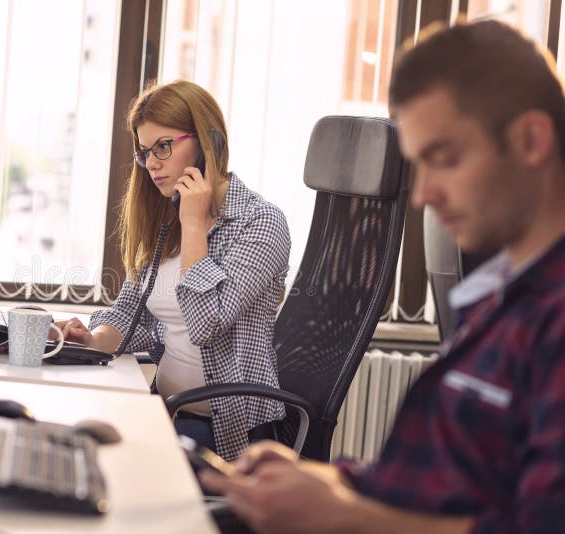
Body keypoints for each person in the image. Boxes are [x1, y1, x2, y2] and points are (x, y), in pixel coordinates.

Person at [201, 20, 565, 533]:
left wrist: (346, 516)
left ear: (531, 139)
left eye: (444, 159)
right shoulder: (497, 295)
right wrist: (329, 482)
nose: (422, 196)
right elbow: (445, 481)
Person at [53, 80, 290, 461]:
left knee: (108, 465)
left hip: (226, 432)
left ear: (206, 143)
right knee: (70, 434)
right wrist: (92, 339)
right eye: (145, 152)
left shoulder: (261, 223)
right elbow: (128, 312)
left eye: (164, 146)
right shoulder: (167, 219)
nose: (153, 164)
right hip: (166, 410)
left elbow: (205, 325)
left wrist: (194, 226)